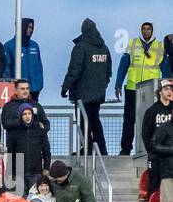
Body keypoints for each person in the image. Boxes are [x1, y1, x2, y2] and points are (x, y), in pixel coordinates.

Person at [61, 18, 112, 156]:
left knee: (83, 123)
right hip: (98, 94)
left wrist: (65, 87)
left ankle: (88, 149)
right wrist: (101, 87)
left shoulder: (81, 47)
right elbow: (109, 73)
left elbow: (74, 70)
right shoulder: (104, 48)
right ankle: (102, 149)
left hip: (82, 94)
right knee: (95, 121)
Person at [115, 22, 163, 155]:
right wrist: (118, 83)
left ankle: (151, 149)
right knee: (129, 121)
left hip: (151, 90)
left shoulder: (160, 46)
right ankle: (125, 149)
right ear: (141, 30)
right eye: (144, 29)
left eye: (148, 29)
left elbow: (164, 68)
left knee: (151, 120)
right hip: (132, 88)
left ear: (152, 31)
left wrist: (166, 87)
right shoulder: (132, 43)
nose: (146, 31)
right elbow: (123, 65)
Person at [4, 18, 44, 100]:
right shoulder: (9, 46)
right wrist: (10, 84)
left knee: (33, 111)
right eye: (28, 27)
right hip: (17, 88)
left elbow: (39, 66)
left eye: (32, 28)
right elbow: (6, 68)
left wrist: (39, 83)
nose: (30, 30)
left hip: (34, 88)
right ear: (22, 27)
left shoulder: (34, 45)